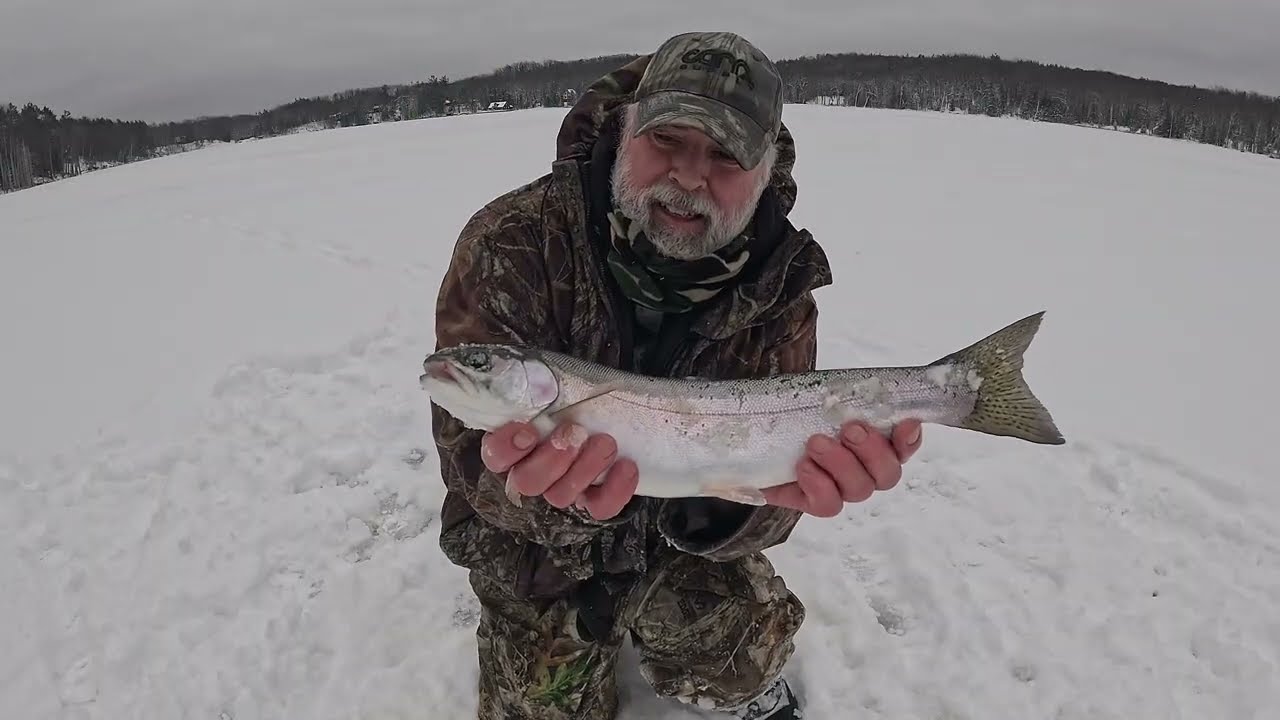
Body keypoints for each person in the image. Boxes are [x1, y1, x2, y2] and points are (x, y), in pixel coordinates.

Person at [430, 30, 922, 720]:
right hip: (535, 555)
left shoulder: (780, 292)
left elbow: (768, 493)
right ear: (625, 127)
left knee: (737, 656)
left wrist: (742, 508)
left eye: (724, 156)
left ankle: (742, 684)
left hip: (675, 540)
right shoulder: (513, 243)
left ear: (765, 171)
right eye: (667, 140)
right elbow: (468, 463)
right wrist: (553, 499)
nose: (689, 177)